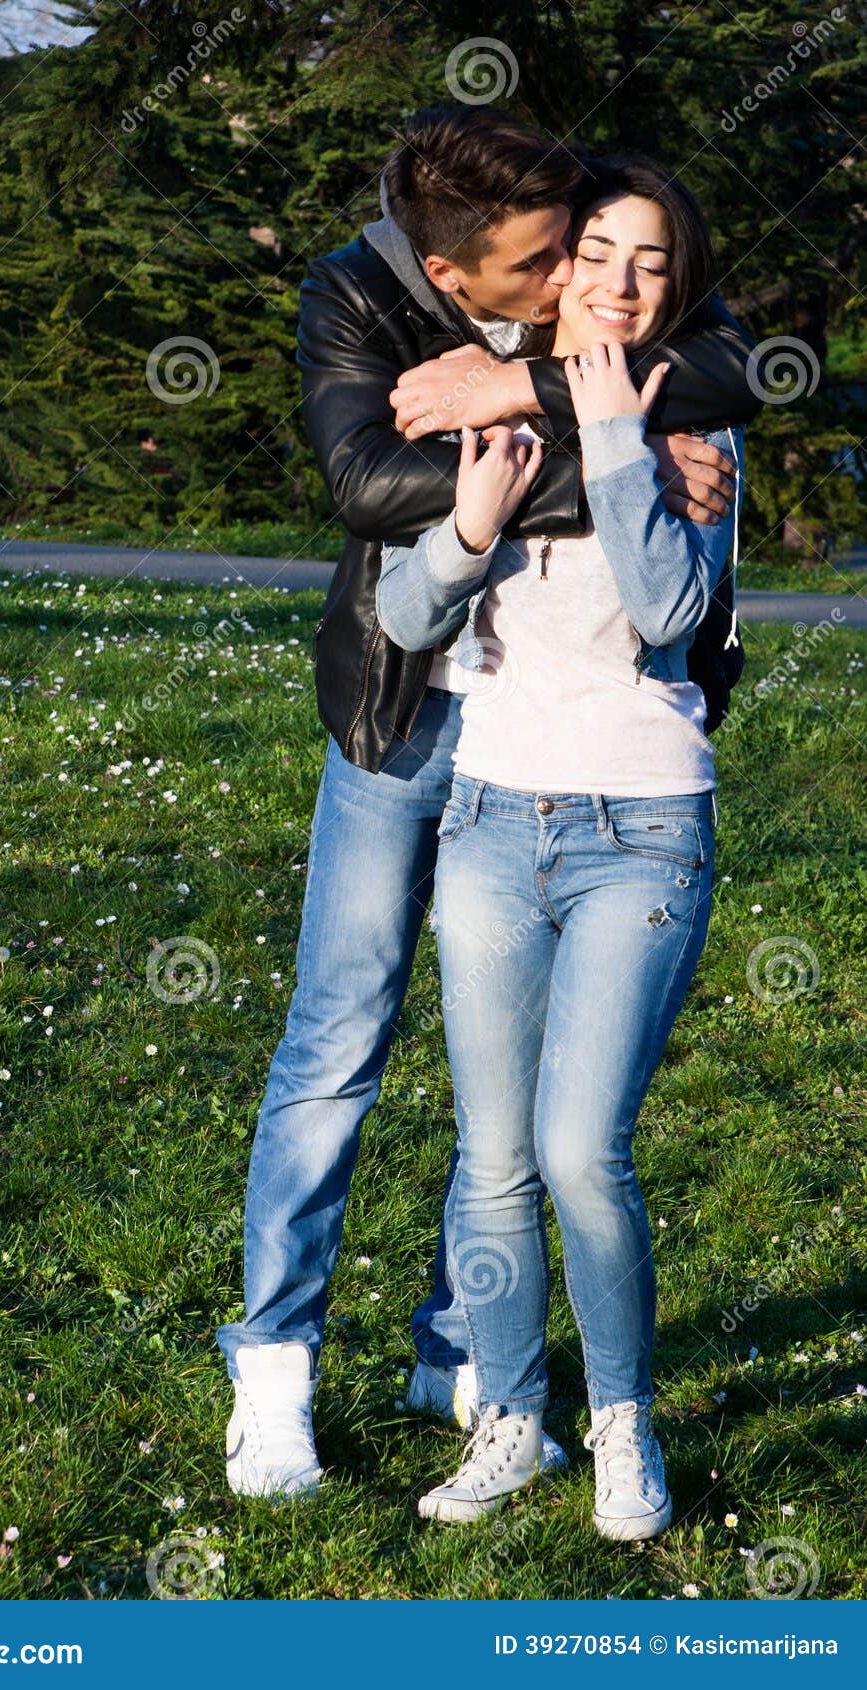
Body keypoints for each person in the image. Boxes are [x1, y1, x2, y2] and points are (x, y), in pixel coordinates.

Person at [217, 105, 760, 1502]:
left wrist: (523, 392)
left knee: (506, 1106)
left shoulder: (586, 267)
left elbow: (718, 354)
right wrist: (597, 449)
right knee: (338, 1037)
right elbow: (363, 479)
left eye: (582, 247)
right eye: (542, 263)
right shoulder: (352, 293)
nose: (573, 277)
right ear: (457, 277)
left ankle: (472, 1352)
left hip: (568, 751)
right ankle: (274, 1369)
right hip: (407, 711)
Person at [378, 155, 742, 1540]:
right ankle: (509, 1417)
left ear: (677, 288)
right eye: (598, 250)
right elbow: (409, 616)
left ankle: (619, 1421)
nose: (619, 281)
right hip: (488, 818)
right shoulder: (488, 389)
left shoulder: (695, 421)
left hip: (640, 827)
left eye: (651, 262)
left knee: (583, 1152)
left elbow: (665, 611)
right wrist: (474, 520)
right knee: (491, 1160)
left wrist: (615, 441)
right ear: (561, 263)